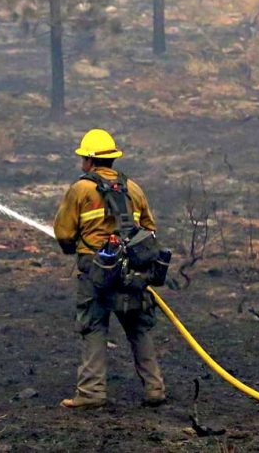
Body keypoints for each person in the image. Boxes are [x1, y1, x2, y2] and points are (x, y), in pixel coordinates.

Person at [53, 129, 166, 409]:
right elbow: (149, 231)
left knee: (93, 328)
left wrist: (76, 247)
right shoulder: (134, 188)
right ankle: (154, 389)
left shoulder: (81, 189)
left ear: (90, 161)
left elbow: (64, 232)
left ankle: (91, 393)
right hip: (133, 273)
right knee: (139, 329)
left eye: (83, 159)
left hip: (97, 272)